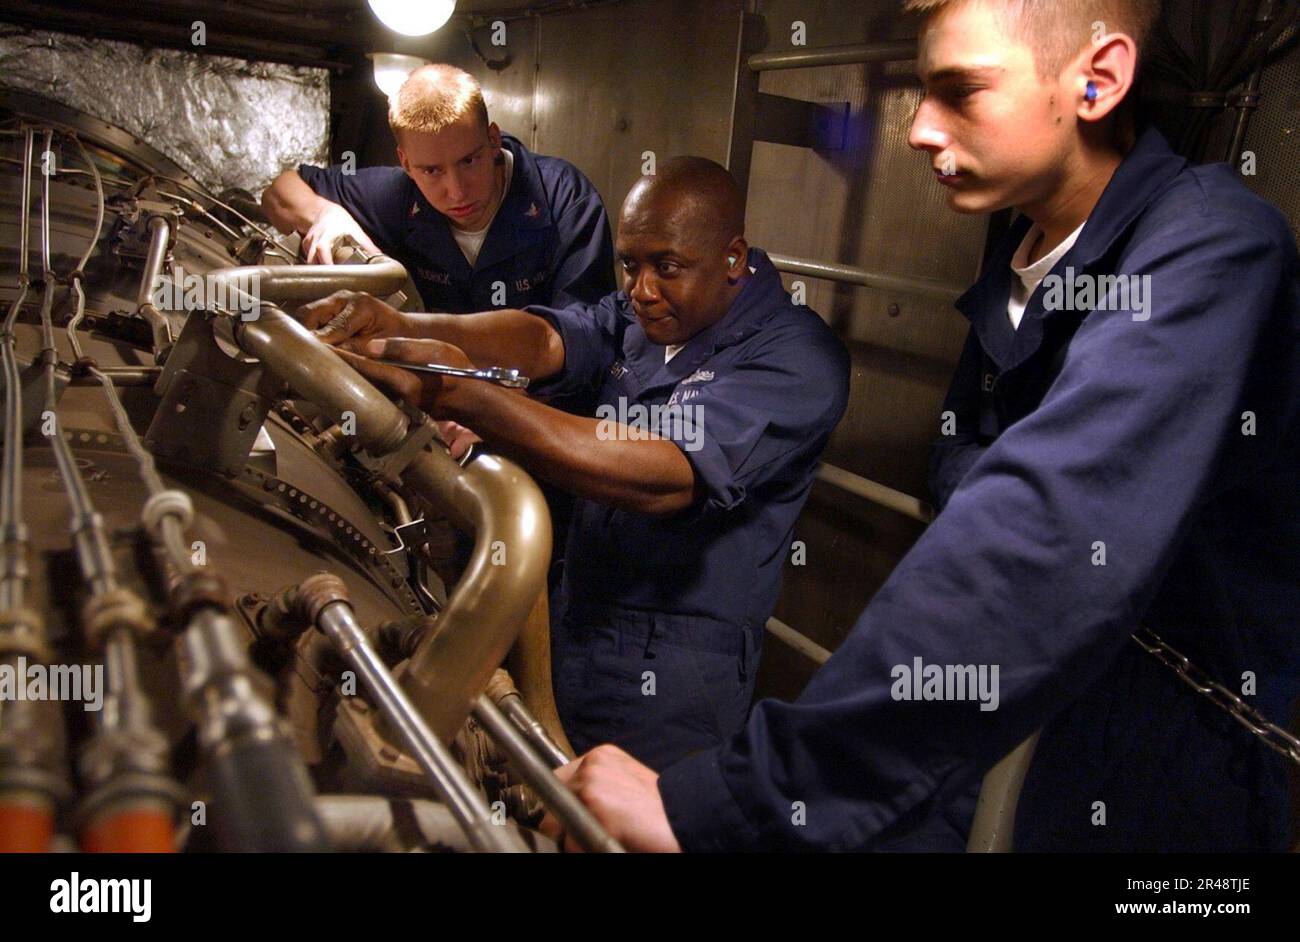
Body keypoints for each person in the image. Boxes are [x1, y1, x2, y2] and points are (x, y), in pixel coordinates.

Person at [540, 0, 1300, 852]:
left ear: (1100, 79)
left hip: (1168, 766)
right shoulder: (1020, 263)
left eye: (961, 90)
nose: (917, 130)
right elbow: (963, 483)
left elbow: (1040, 536)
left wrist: (738, 801)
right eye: (920, 91)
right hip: (1004, 713)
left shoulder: (1214, 248)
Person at [296, 157, 850, 771]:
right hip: (576, 624)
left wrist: (459, 393)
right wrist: (407, 325)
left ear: (733, 258)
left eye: (666, 266)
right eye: (630, 264)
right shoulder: (642, 316)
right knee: (545, 804)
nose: (641, 289)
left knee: (629, 830)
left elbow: (663, 474)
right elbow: (545, 340)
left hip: (674, 675)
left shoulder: (796, 358)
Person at [262, 63, 615, 312]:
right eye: (431, 170)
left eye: (469, 161)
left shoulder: (564, 198)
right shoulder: (396, 195)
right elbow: (280, 190)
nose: (457, 191)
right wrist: (326, 215)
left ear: (493, 139)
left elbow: (585, 337)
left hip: (544, 405)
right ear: (405, 164)